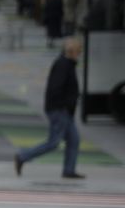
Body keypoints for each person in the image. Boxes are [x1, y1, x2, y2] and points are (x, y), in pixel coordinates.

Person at [14, 38, 85, 180]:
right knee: (53, 143)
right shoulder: (63, 65)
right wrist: (64, 104)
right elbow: (55, 88)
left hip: (64, 110)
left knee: (74, 139)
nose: (80, 54)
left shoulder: (68, 64)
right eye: (79, 51)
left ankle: (68, 170)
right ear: (72, 52)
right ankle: (22, 156)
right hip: (59, 110)